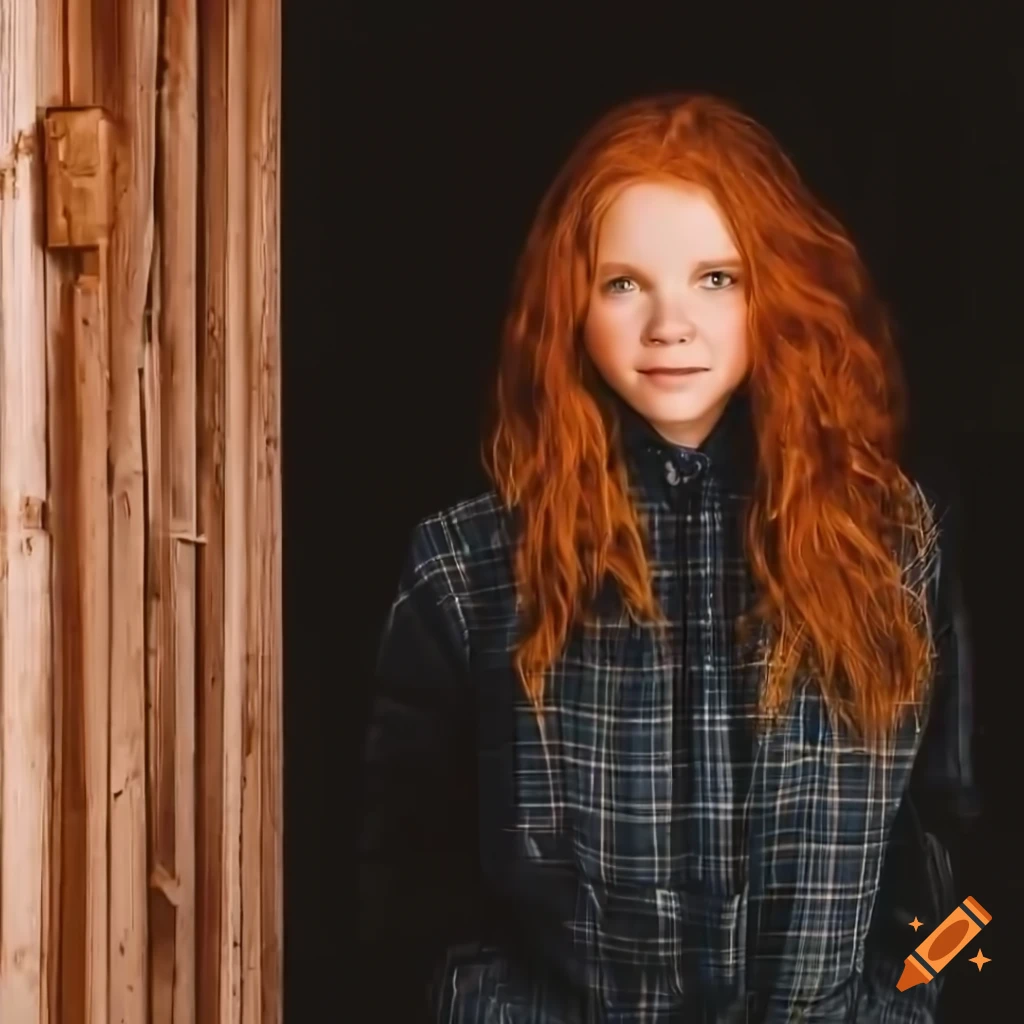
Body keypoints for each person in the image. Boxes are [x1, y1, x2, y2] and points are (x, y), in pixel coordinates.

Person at [358, 93, 980, 1023]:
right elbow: (408, 884)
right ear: (569, 302)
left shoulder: (893, 542)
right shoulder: (468, 566)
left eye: (715, 278)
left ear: (777, 286)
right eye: (624, 283)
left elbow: (958, 844)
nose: (669, 324)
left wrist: (908, 999)